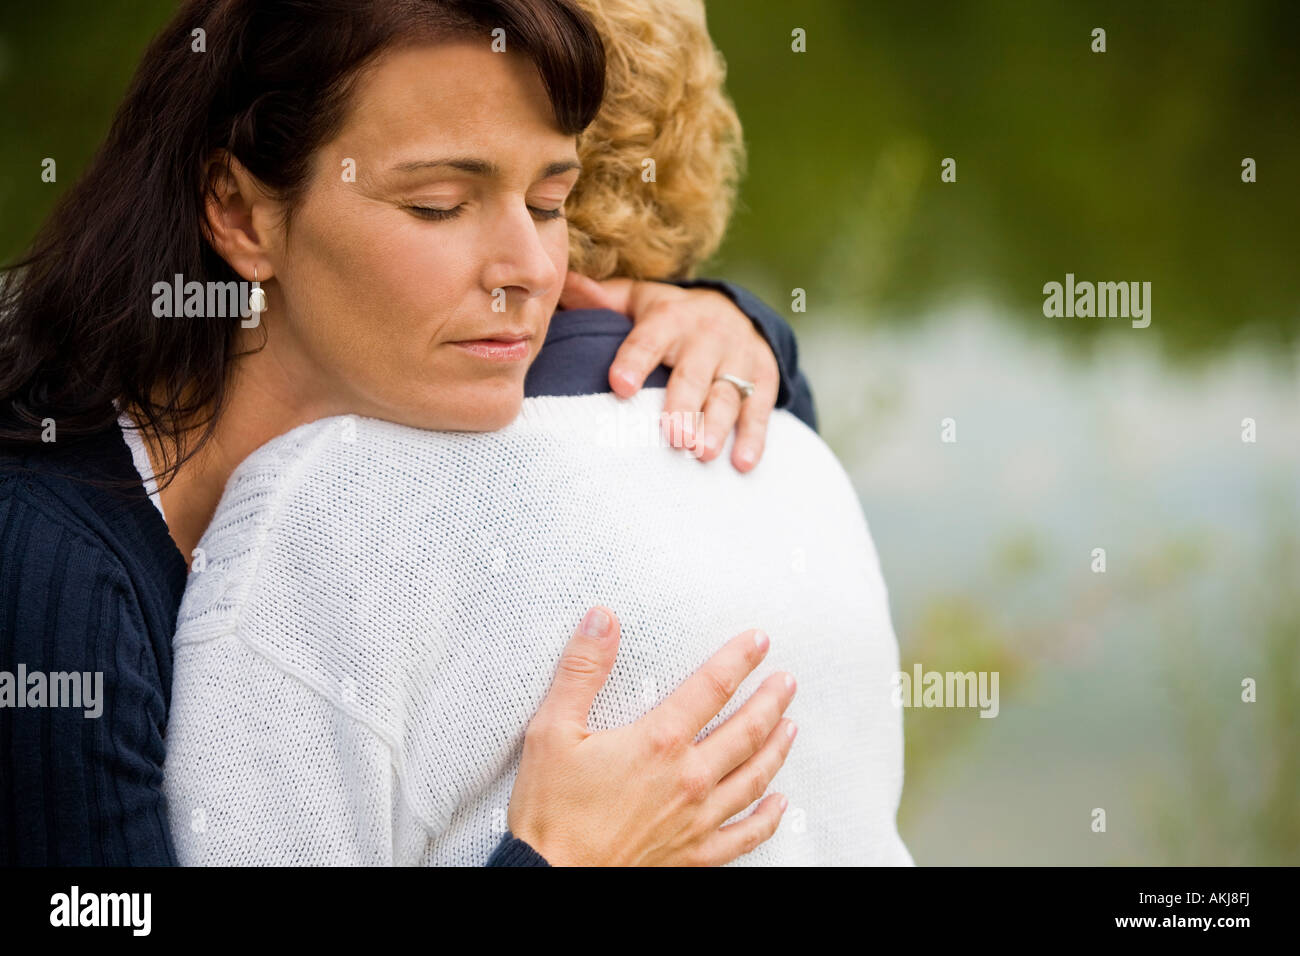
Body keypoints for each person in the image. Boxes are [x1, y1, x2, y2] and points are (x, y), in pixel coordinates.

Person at [0, 0, 811, 866]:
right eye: (437, 206)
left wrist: (736, 327)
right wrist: (560, 856)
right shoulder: (50, 573)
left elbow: (764, 469)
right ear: (237, 212)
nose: (530, 273)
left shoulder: (413, 395)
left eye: (547, 202)